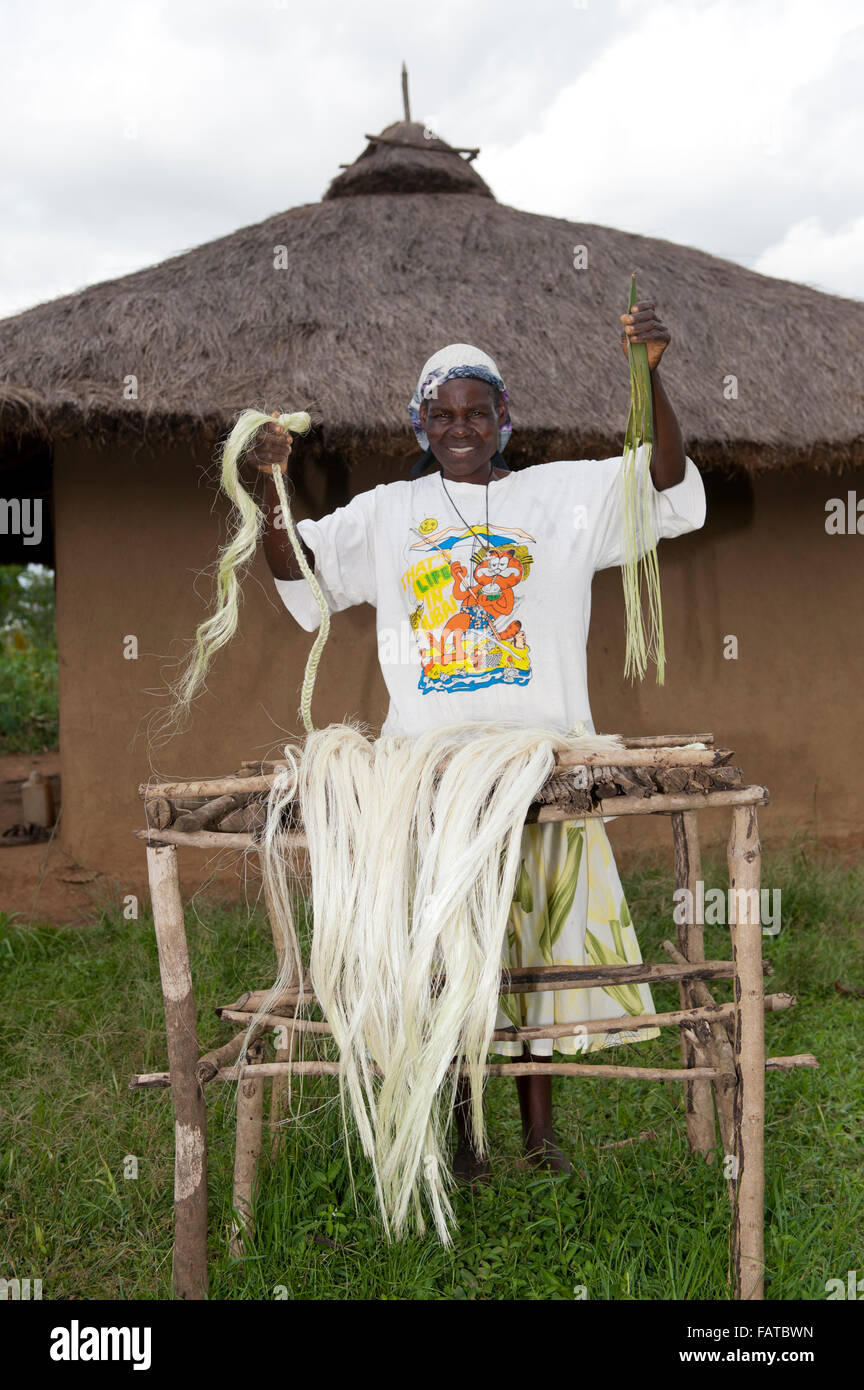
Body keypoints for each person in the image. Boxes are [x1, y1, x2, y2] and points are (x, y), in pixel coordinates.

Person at [241, 299, 706, 1182]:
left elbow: (666, 483)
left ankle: (538, 1140)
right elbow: (295, 571)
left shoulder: (559, 495)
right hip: (437, 781)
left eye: (477, 413)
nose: (461, 428)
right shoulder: (389, 514)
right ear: (420, 423)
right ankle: (461, 1140)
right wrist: (271, 482)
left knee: (530, 957)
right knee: (451, 962)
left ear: (505, 423)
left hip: (542, 771)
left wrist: (648, 374)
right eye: (443, 415)